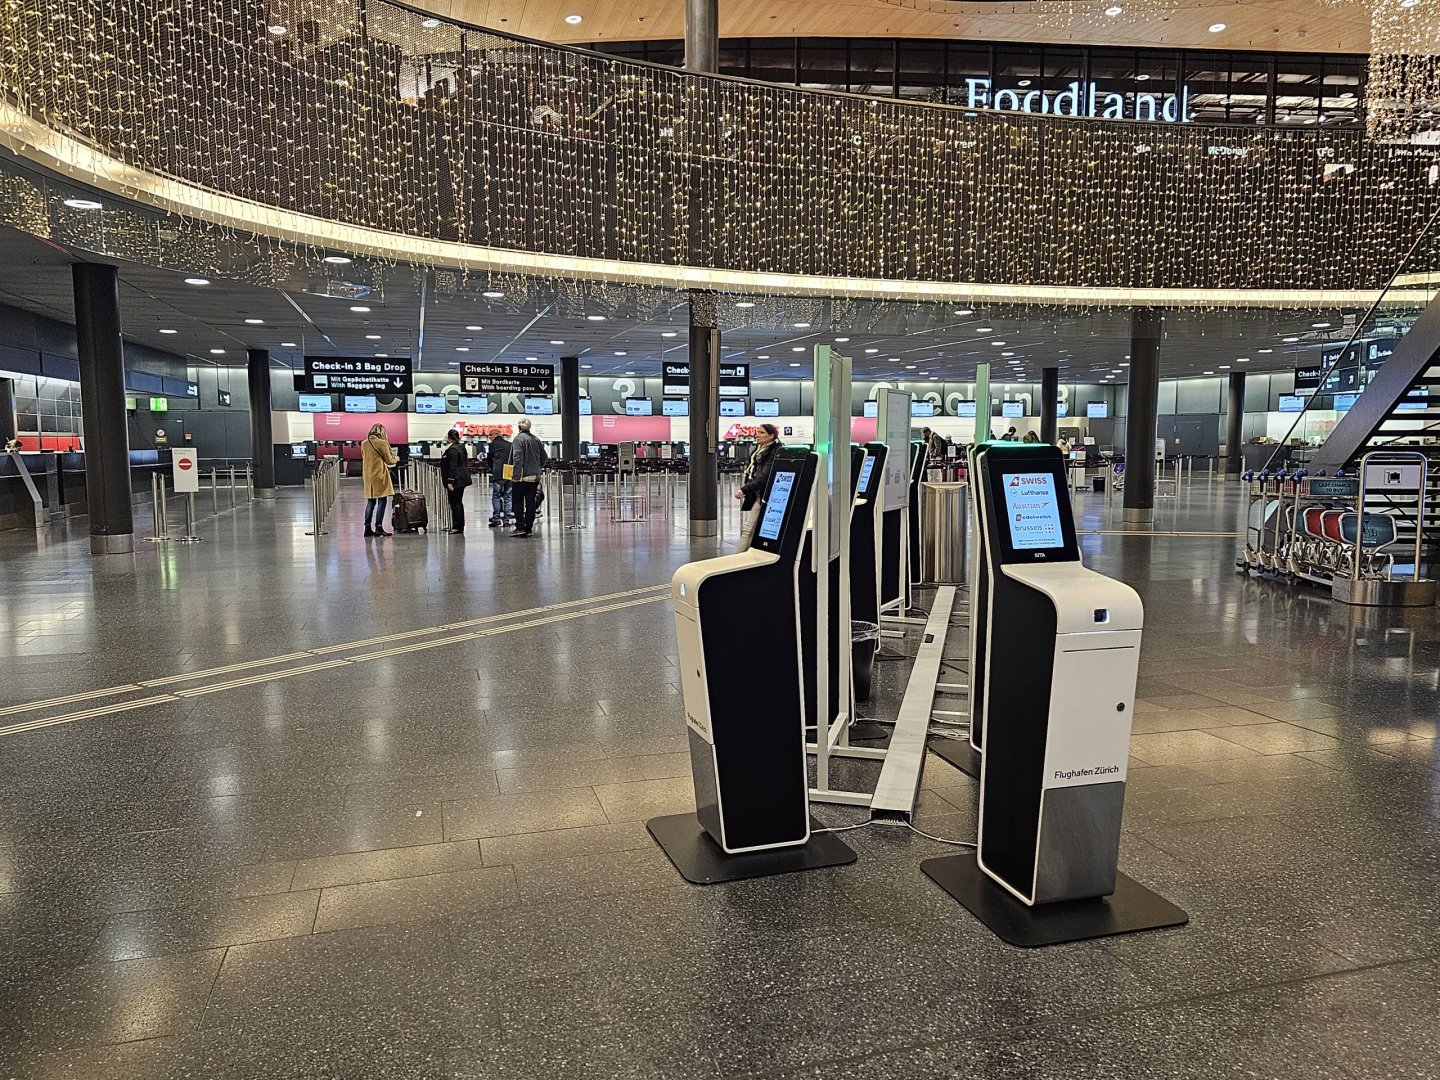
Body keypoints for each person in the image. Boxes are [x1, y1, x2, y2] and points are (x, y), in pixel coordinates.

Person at [508, 418, 548, 538]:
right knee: (531, 503)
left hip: (522, 477)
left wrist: (515, 476)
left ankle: (520, 527)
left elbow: (518, 459)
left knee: (517, 501)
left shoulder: (518, 439)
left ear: (519, 427)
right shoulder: (536, 439)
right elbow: (544, 457)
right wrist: (537, 467)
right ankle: (529, 528)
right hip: (534, 477)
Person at [361, 422, 397, 537]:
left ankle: (367, 527)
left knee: (370, 502)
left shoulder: (364, 443)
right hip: (379, 475)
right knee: (382, 501)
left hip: (368, 476)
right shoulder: (382, 443)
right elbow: (389, 460)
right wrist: (397, 458)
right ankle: (379, 527)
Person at [441, 428, 471, 535]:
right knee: (457, 502)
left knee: (455, 503)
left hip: (456, 481)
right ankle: (457, 525)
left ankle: (458, 526)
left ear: (448, 437)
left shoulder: (453, 450)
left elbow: (452, 466)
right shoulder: (461, 448)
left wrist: (450, 481)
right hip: (461, 479)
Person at [487, 432, 513, 528]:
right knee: (508, 496)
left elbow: (489, 458)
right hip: (509, 472)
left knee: (496, 496)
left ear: (493, 436)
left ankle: (496, 518)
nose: (489, 438)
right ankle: (507, 519)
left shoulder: (493, 445)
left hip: (498, 473)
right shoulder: (510, 444)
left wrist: (492, 468)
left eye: (490, 436)